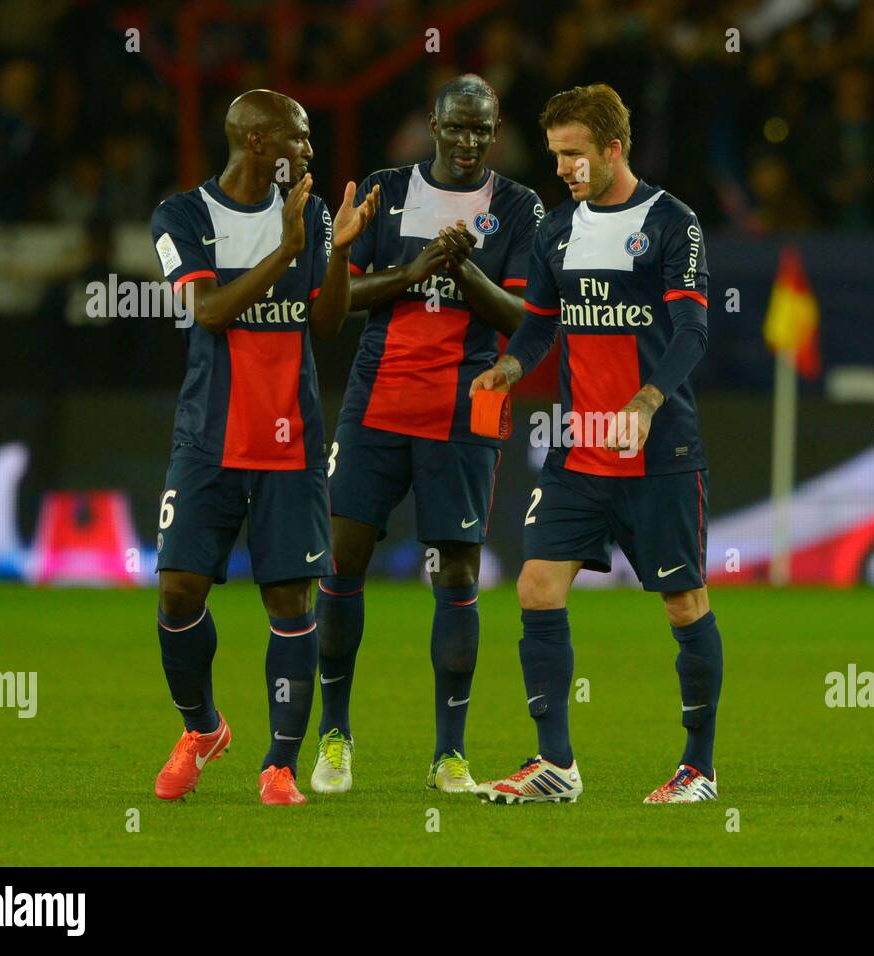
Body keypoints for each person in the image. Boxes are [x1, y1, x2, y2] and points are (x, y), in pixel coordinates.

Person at [470, 83, 723, 804]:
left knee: (683, 603)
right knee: (535, 586)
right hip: (581, 451)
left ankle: (698, 769)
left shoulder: (673, 223)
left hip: (660, 450)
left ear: (616, 148)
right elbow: (541, 323)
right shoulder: (555, 230)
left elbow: (693, 330)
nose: (564, 168)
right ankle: (556, 764)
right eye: (556, 155)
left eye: (576, 154)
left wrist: (648, 399)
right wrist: (509, 367)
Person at [311, 75, 543, 795]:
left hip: (462, 413)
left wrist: (465, 269)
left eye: (482, 129)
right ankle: (335, 737)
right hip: (376, 404)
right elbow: (336, 302)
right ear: (432, 126)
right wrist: (413, 271)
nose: (468, 142)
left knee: (457, 575)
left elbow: (523, 321)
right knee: (341, 564)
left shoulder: (517, 206)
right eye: (456, 127)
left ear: (495, 131)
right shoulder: (385, 189)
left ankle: (450, 753)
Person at [148, 89, 378, 806]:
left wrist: (333, 254)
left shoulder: (308, 216)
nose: (308, 151)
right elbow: (210, 311)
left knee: (288, 599)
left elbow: (327, 325)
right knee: (178, 589)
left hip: (291, 442)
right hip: (208, 441)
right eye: (297, 139)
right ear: (255, 143)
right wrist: (287, 248)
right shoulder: (182, 217)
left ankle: (278, 763)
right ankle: (202, 728)